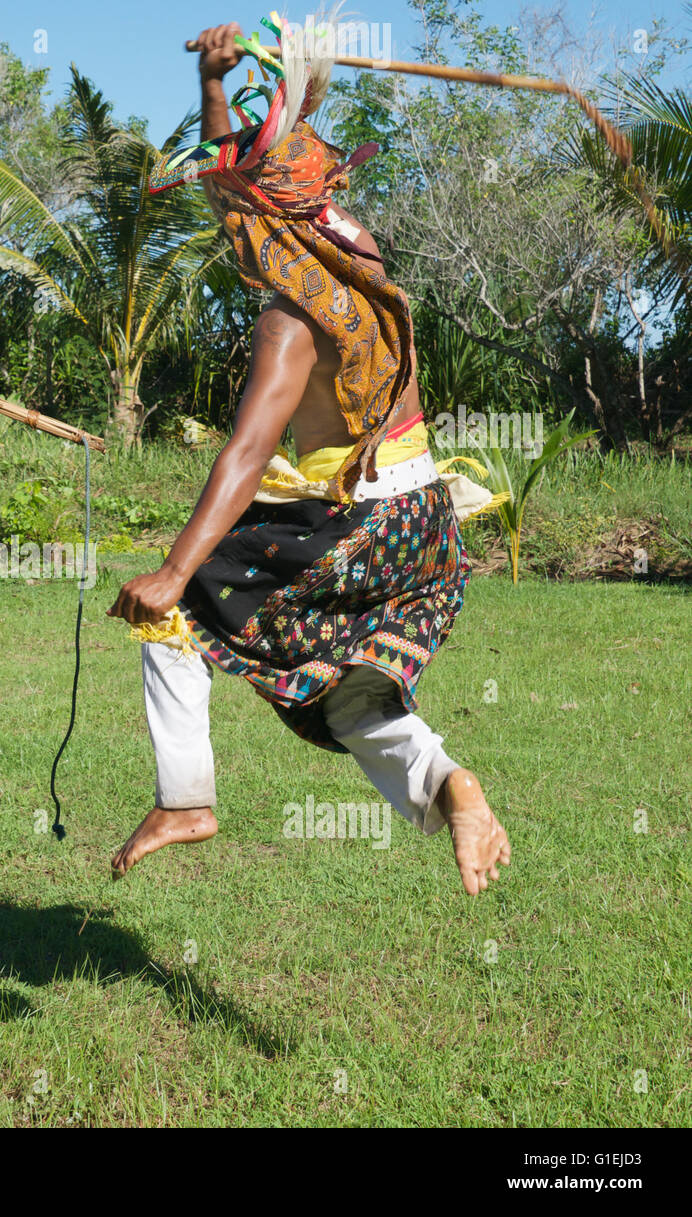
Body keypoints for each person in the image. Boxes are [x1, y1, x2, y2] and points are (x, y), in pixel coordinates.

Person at [107, 20, 511, 896]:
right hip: (424, 523)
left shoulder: (291, 319)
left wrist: (177, 570)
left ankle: (185, 798)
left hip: (361, 522)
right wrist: (219, 82)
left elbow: (248, 451)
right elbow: (248, 173)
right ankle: (453, 789)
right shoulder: (346, 240)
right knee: (352, 697)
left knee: (171, 616)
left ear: (266, 227)